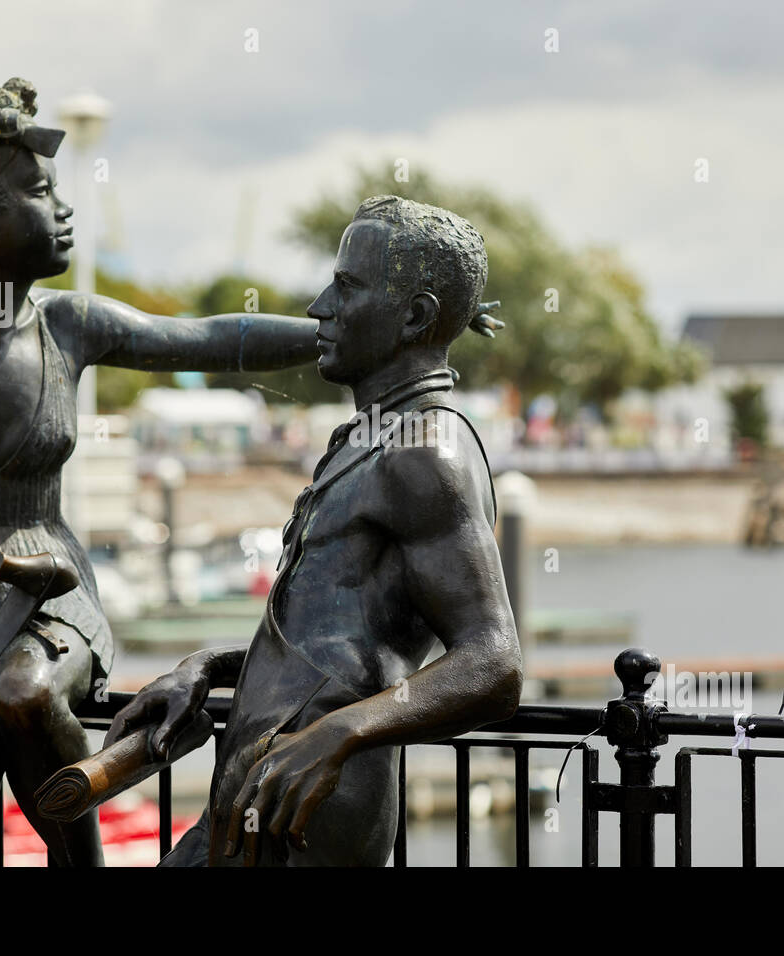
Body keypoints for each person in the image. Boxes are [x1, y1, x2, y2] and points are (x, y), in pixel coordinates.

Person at [0, 79, 500, 867]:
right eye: (42, 192)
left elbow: (215, 339)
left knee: (26, 696)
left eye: (341, 293)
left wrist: (363, 339)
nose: (65, 209)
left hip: (79, 616)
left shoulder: (69, 325)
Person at [107, 196, 523, 866]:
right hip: (262, 798)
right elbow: (330, 652)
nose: (318, 307)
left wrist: (340, 735)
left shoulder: (424, 452)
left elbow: (494, 664)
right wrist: (206, 670)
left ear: (414, 316)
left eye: (348, 287)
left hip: (313, 812)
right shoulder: (369, 437)